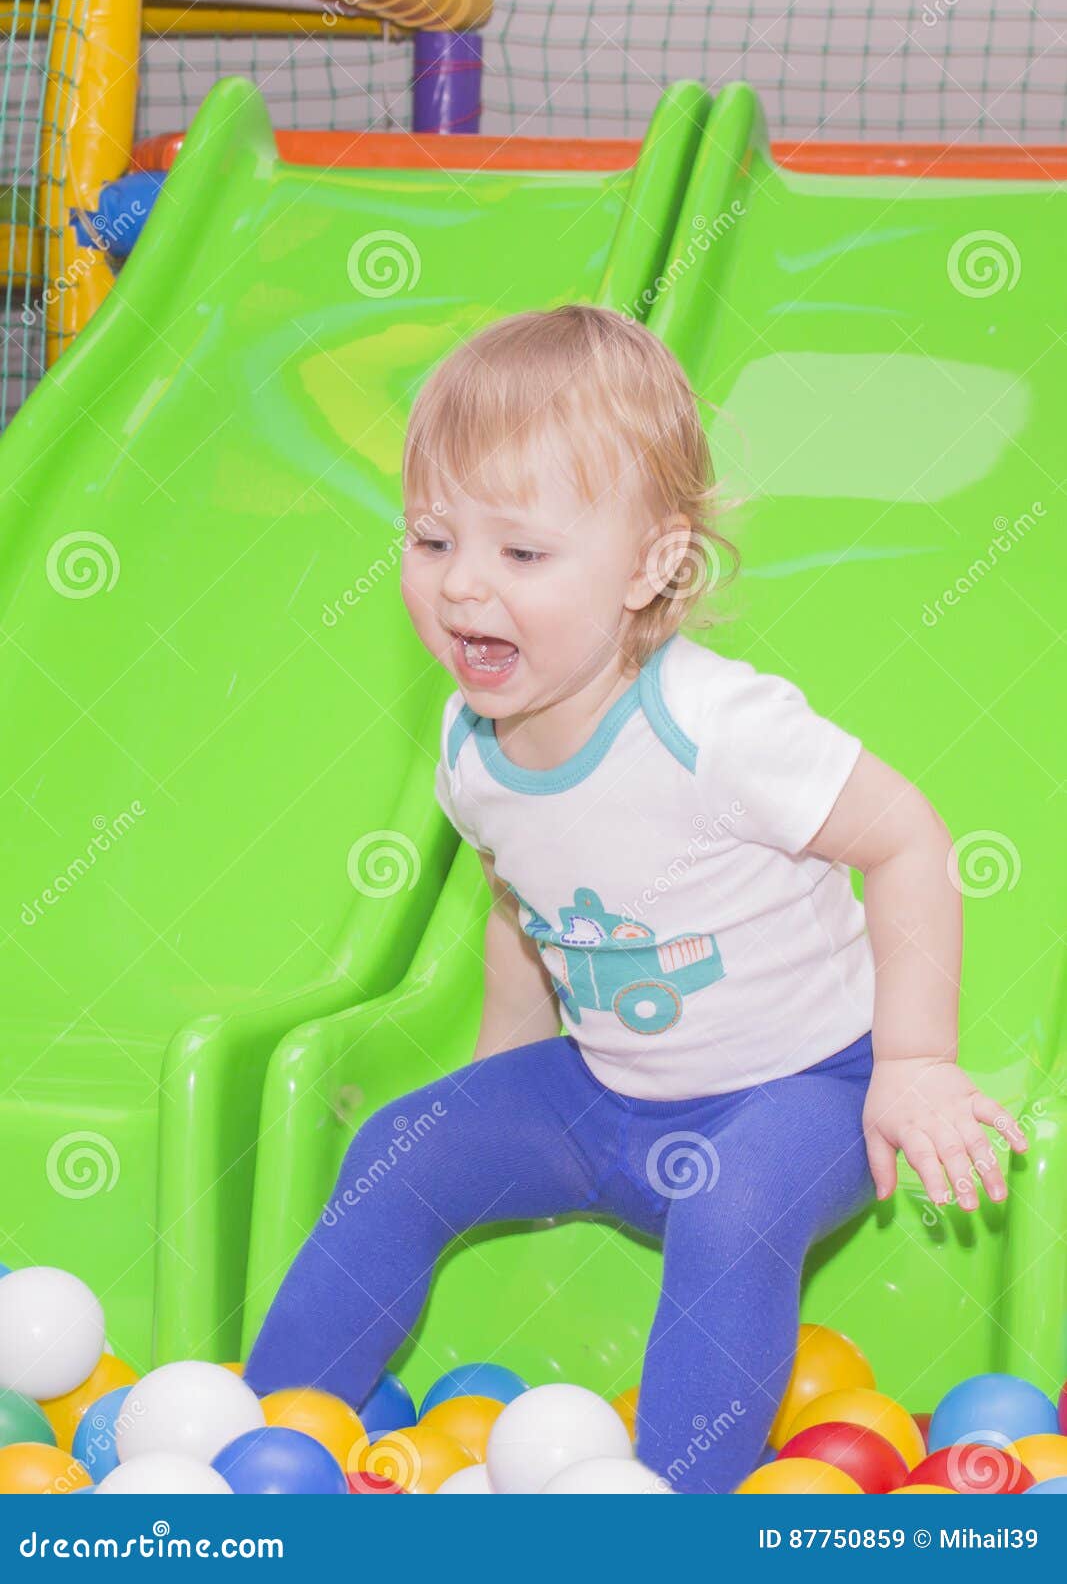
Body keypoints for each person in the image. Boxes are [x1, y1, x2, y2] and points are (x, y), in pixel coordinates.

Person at [243, 304, 1027, 1492]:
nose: (462, 589)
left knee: (729, 1210)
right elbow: (521, 896)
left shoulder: (714, 724)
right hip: (604, 1095)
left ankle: (665, 1515)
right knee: (400, 1146)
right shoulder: (467, 740)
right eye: (430, 540)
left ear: (651, 565)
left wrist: (915, 1059)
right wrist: (499, 1072)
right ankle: (256, 1448)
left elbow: (906, 836)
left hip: (801, 1086)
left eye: (520, 553)